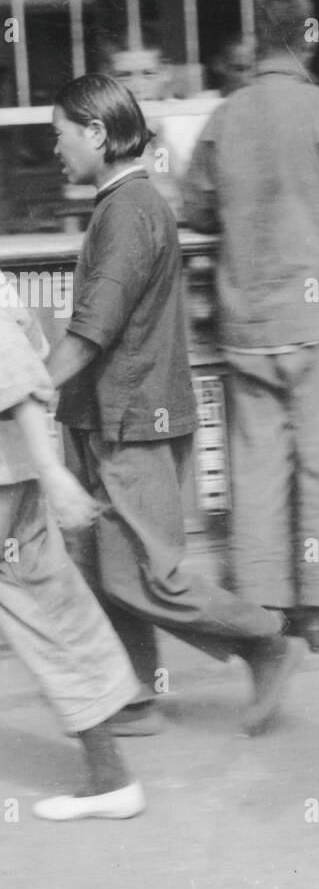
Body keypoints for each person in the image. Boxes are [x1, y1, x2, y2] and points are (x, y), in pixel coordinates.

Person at [47, 74, 301, 738]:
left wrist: (33, 388)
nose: (56, 149)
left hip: (130, 419)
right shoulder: (122, 204)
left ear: (97, 133)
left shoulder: (129, 210)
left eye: (61, 135)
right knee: (104, 567)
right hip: (109, 414)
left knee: (146, 577)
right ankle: (131, 695)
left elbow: (94, 326)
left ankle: (266, 638)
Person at [182, 0, 319, 653]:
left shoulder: (227, 116)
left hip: (249, 320)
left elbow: (195, 206)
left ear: (255, 40)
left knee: (256, 466)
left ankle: (263, 607)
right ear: (307, 36)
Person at [0, 273, 144, 819]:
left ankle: (111, 777)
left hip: (8, 476)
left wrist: (53, 473)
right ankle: (110, 775)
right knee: (51, 606)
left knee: (49, 606)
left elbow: (16, 378)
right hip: (15, 476)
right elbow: (34, 357)